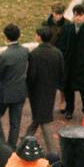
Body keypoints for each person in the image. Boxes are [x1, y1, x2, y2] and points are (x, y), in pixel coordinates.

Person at [25, 24, 63, 158]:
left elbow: (31, 75)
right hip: (51, 89)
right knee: (40, 116)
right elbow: (61, 72)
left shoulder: (34, 54)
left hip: (36, 91)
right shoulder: (57, 53)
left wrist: (28, 89)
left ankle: (52, 151)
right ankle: (25, 139)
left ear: (40, 37)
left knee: (42, 118)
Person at [0, 23, 29, 146]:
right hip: (19, 92)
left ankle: (1, 144)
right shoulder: (25, 51)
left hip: (4, 93)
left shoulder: (5, 55)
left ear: (6, 37)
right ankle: (11, 146)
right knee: (15, 123)